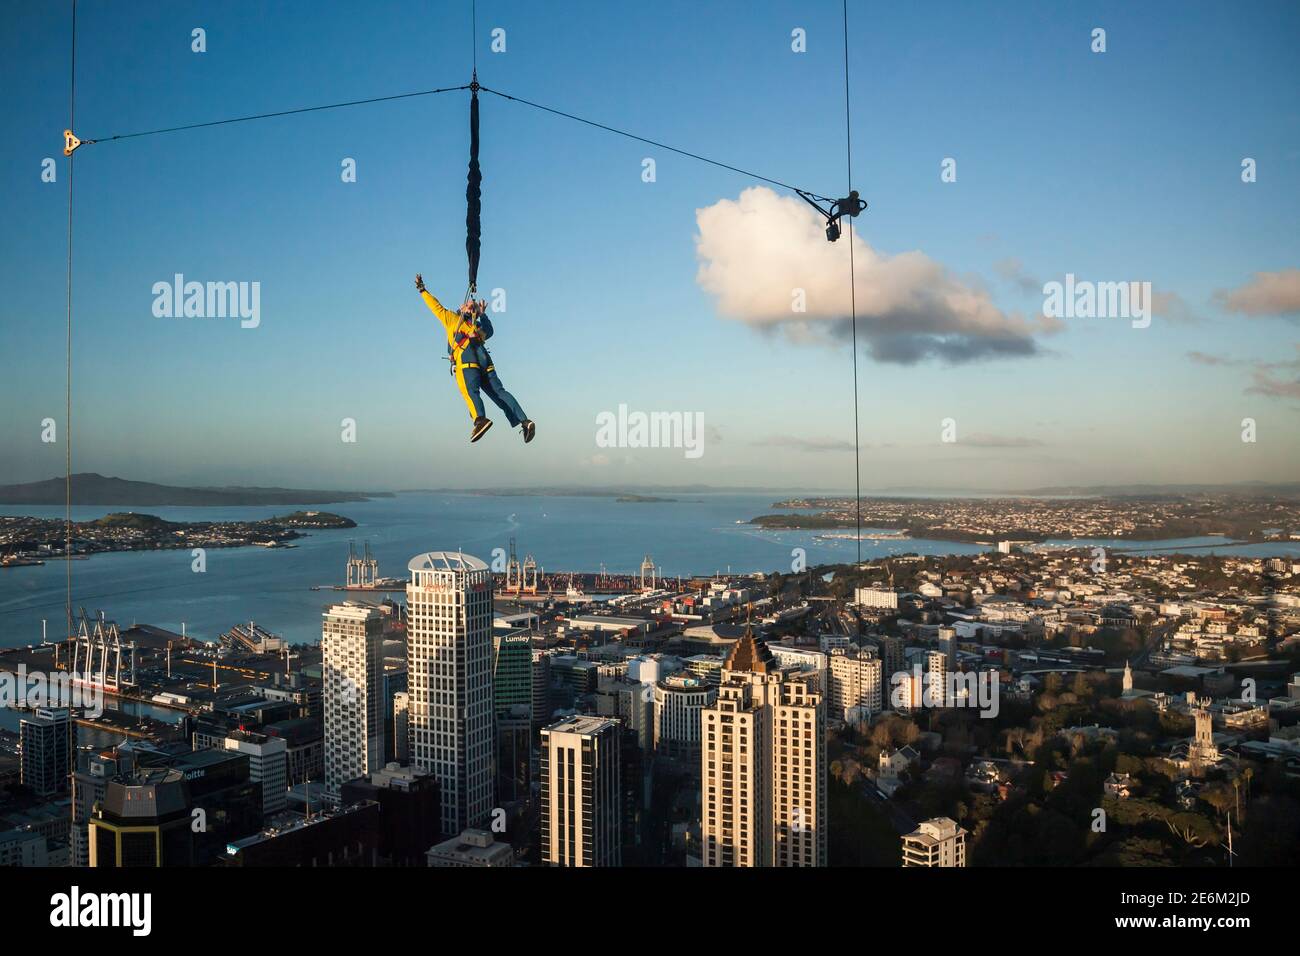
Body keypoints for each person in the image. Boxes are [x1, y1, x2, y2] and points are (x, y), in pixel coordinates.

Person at [415, 273, 535, 444]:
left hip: (468, 361)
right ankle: (525, 421)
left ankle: (480, 420)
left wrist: (422, 290)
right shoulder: (477, 326)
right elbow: (490, 331)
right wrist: (483, 314)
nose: (466, 303)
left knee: (469, 391)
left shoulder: (453, 319)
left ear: (463, 310)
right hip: (485, 363)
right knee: (500, 393)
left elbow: (436, 307)